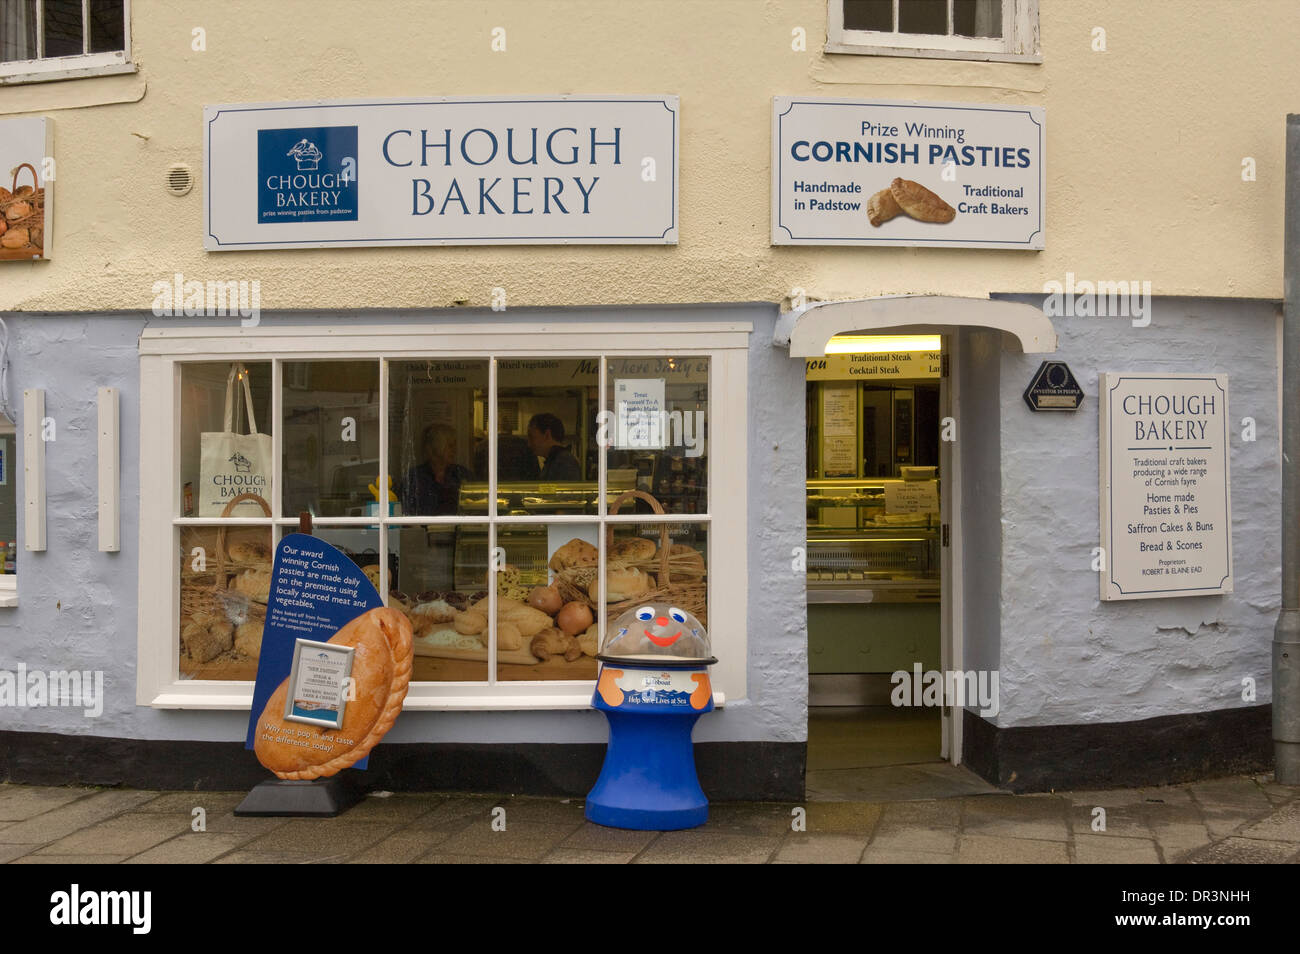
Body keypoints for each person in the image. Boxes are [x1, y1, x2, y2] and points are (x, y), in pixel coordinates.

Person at [402, 423, 472, 515]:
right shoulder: (415, 478)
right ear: (436, 447)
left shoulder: (461, 474)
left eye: (454, 445)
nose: (455, 450)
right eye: (450, 446)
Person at [527, 412, 582, 480]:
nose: (529, 444)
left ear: (547, 435)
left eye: (532, 437)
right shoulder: (556, 461)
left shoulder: (564, 464)